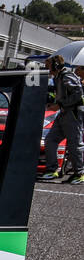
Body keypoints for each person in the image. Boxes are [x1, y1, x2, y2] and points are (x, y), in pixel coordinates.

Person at [41, 54, 83, 183]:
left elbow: (79, 95)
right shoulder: (58, 77)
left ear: (55, 65)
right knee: (50, 140)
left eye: (48, 66)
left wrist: (59, 104)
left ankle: (80, 173)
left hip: (73, 114)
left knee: (74, 144)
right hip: (64, 113)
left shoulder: (67, 76)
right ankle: (52, 170)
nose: (47, 69)